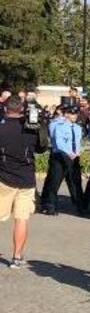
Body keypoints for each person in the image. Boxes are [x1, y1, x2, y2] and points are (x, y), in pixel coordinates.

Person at [0, 98, 46, 267]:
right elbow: (42, 147)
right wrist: (40, 124)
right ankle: (16, 257)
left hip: (4, 177)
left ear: (5, 109)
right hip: (26, 179)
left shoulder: (2, 127)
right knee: (22, 219)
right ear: (22, 110)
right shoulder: (30, 128)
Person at [38, 104, 84, 215]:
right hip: (60, 156)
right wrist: (69, 153)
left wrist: (77, 152)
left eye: (76, 114)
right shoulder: (59, 126)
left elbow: (77, 142)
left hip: (73, 156)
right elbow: (59, 142)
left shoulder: (77, 128)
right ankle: (50, 205)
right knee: (54, 181)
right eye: (72, 114)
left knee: (75, 182)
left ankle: (80, 206)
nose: (74, 116)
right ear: (66, 114)